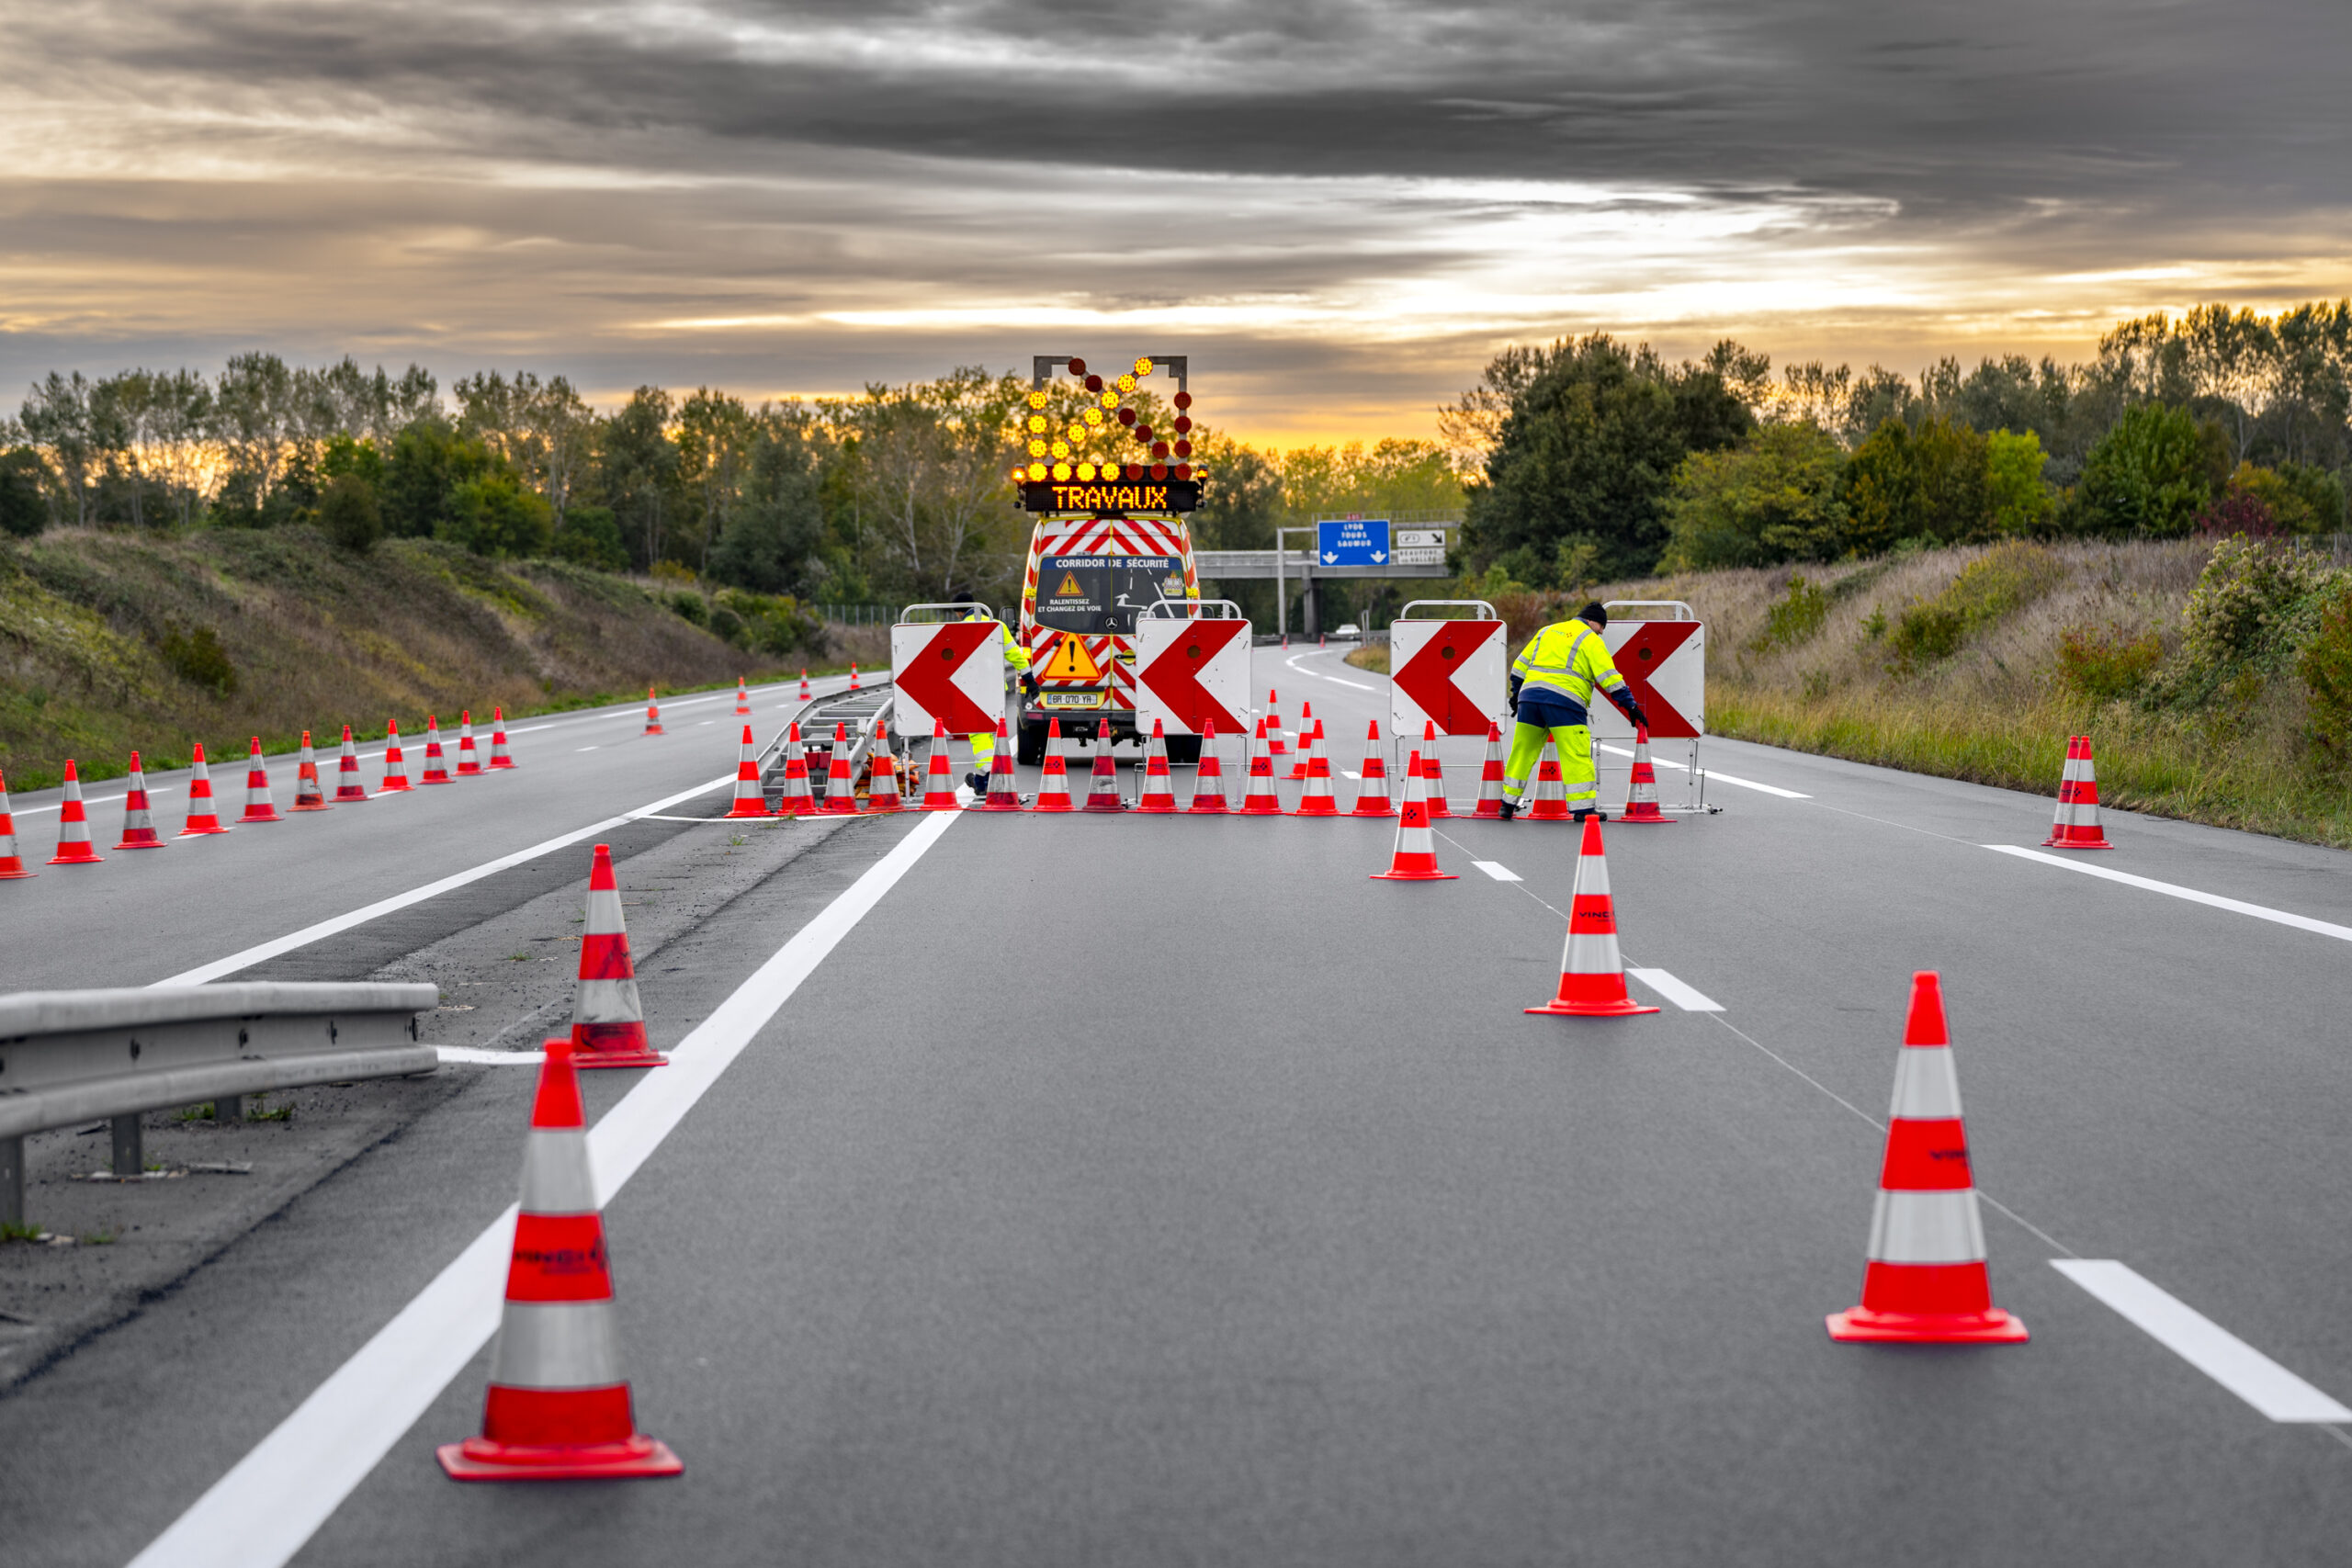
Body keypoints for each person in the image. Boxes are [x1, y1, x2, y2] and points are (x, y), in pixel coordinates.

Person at [1499, 602, 1646, 822]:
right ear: (1591, 621)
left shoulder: (1547, 631)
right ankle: (1583, 809)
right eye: (1601, 628)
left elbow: (1519, 667)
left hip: (1529, 699)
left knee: (1522, 751)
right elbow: (1609, 677)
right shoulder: (1590, 639)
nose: (1601, 633)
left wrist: (1516, 695)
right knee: (1576, 754)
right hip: (1564, 702)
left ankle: (1507, 805)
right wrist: (1631, 706)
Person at [962, 603, 1031, 793]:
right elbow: (1015, 654)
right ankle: (980, 781)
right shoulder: (997, 626)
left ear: (960, 613)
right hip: (995, 689)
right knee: (992, 732)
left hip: (970, 688)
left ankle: (988, 780)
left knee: (979, 732)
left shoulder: (959, 629)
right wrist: (1029, 677)